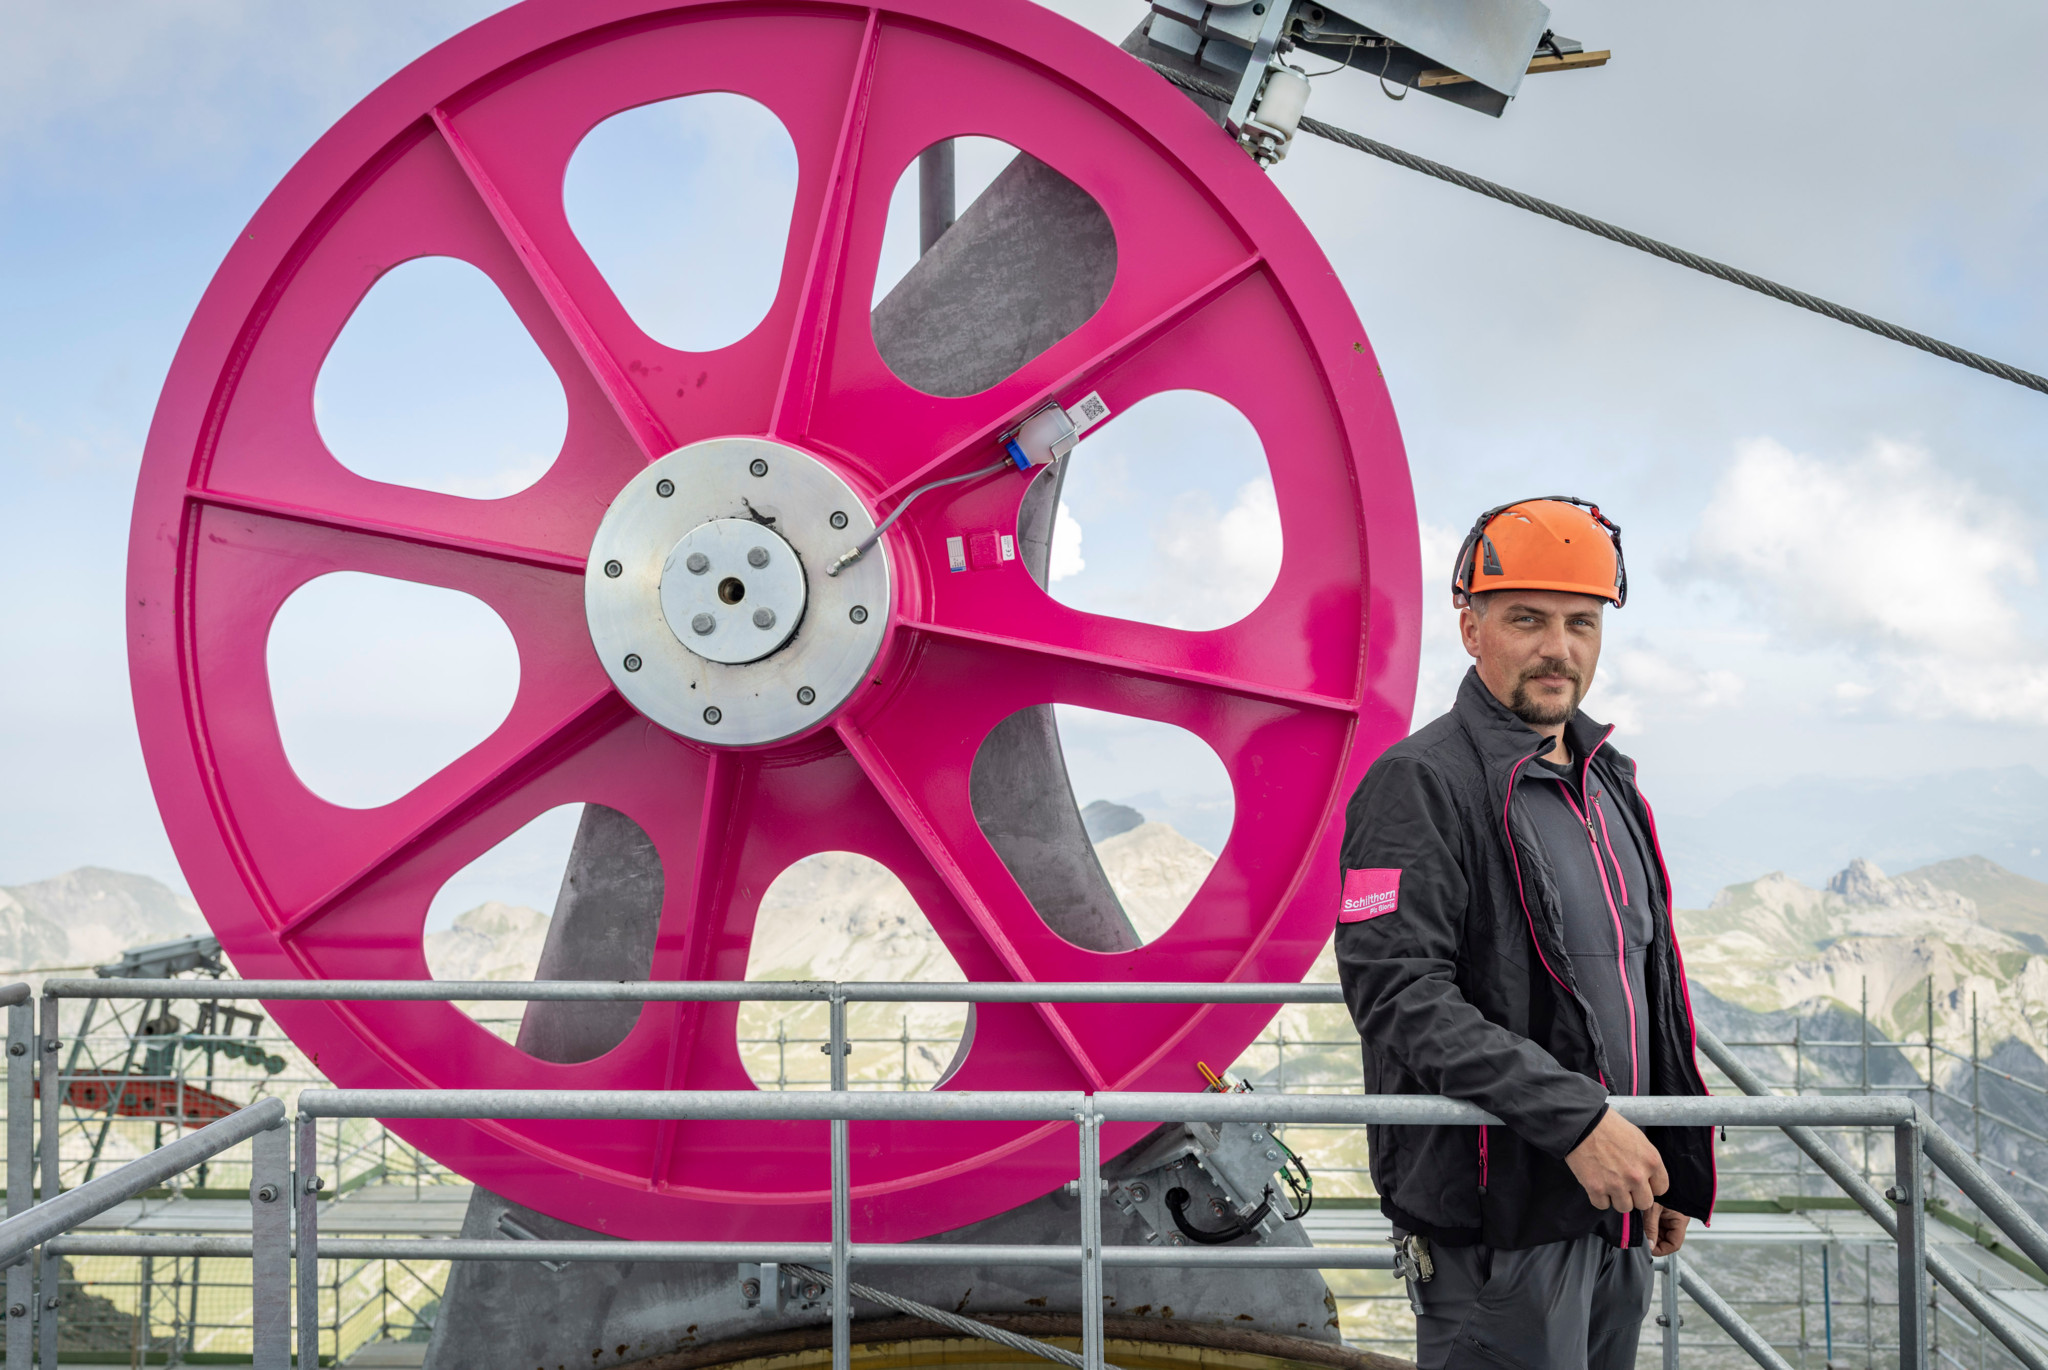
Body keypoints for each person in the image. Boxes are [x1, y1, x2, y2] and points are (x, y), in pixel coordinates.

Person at [1335, 497, 1714, 1370]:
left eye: (1582, 623)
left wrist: (1666, 1157)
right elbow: (1397, 993)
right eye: (1527, 619)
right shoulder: (1418, 783)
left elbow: (1643, 982)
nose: (1559, 648)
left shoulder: (1608, 782)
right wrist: (1581, 1125)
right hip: (1499, 1224)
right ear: (1471, 630)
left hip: (1615, 1201)